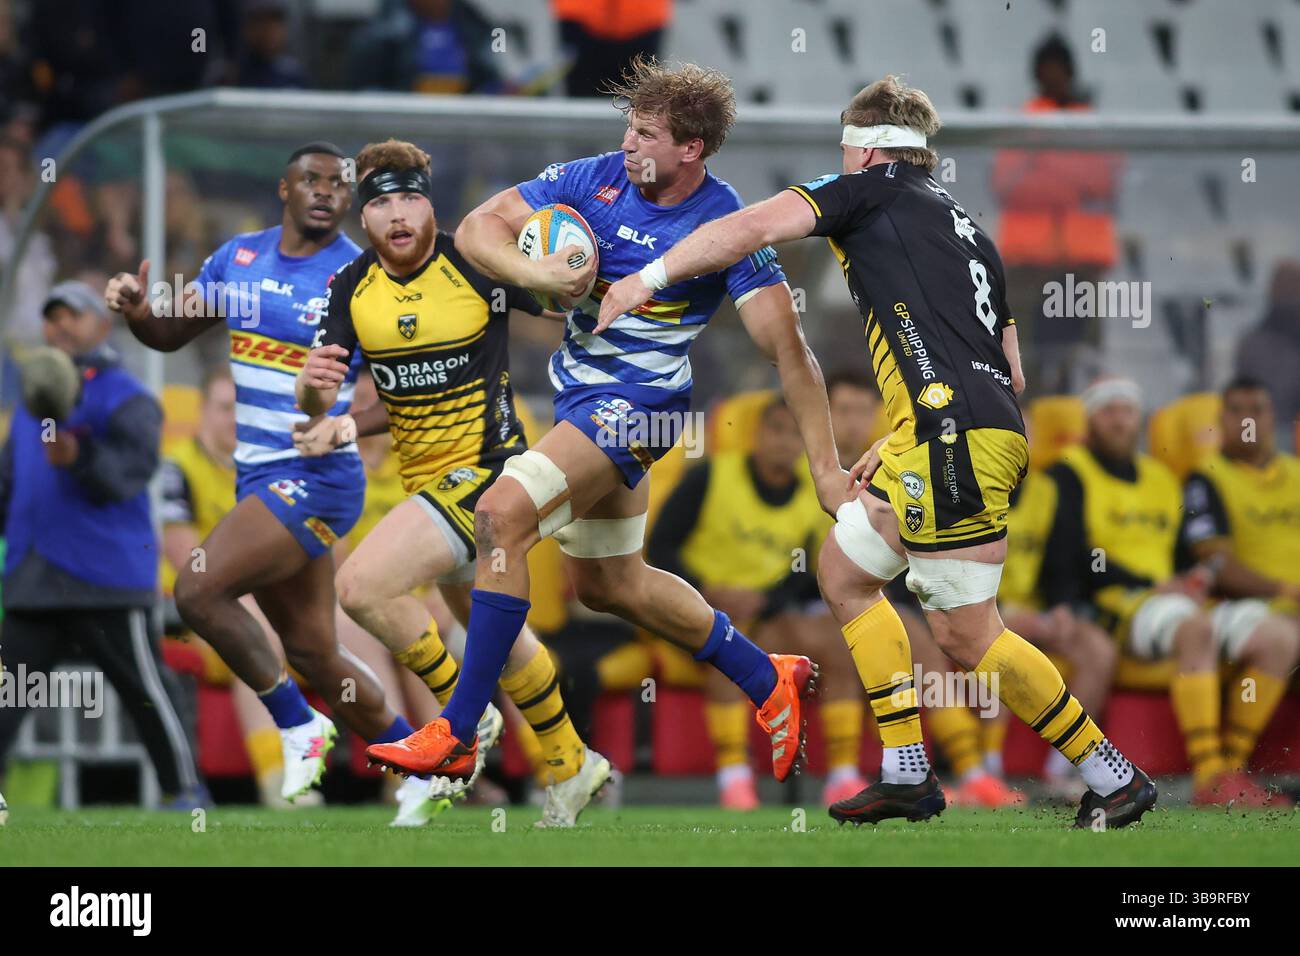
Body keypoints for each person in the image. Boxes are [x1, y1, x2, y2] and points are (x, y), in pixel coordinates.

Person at [600, 73, 1157, 829]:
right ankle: (906, 770)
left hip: (952, 439)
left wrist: (649, 277)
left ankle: (1112, 774)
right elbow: (1010, 369)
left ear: (862, 148)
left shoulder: (868, 189)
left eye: (843, 149)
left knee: (965, 633)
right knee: (845, 570)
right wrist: (905, 433)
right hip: (952, 431)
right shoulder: (969, 229)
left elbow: (750, 228)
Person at [364, 56, 844, 789]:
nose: (629, 143)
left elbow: (790, 352)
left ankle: (457, 733)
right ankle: (766, 673)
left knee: (501, 514)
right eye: (628, 127)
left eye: (647, 134)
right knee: (611, 585)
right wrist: (538, 278)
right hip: (582, 401)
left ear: (692, 150)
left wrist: (825, 466)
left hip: (645, 408)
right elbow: (479, 225)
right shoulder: (595, 180)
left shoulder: (726, 223)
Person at [295, 138, 608, 827]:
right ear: (363, 215)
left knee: (360, 586)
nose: (398, 214)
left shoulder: (474, 262)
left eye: (410, 197)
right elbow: (377, 392)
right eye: (380, 201)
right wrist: (323, 407)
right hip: (428, 485)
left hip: (495, 475)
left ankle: (463, 722)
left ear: (429, 202)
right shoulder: (352, 289)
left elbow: (567, 305)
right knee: (491, 633)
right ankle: (569, 760)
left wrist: (578, 278)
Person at [105, 142, 425, 808]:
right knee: (314, 652)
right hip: (258, 479)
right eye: (311, 180)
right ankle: (421, 765)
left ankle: (298, 724)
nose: (325, 192)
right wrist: (138, 311)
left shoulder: (362, 278)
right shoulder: (237, 259)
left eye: (339, 185)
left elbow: (405, 390)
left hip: (318, 478)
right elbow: (169, 334)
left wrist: (343, 426)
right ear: (285, 190)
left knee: (195, 590)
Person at [1042, 378, 1299, 807]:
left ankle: (1233, 769)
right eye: (1108, 412)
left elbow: (1183, 552)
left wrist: (1196, 576)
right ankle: (1208, 775)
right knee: (1194, 628)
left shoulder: (1161, 478)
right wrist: (1148, 584)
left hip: (1174, 602)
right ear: (1090, 421)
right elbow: (1069, 555)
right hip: (1119, 604)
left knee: (1279, 638)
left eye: (1127, 411)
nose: (1120, 421)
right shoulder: (1069, 473)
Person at [0, 280, 204, 814]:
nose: (60, 325)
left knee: (146, 694)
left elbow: (130, 477)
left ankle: (183, 793)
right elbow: (6, 487)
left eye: (74, 315)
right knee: (6, 697)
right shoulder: (32, 399)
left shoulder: (128, 397)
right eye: (52, 317)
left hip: (105, 581)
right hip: (33, 580)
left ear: (101, 324)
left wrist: (81, 460)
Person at [648, 396, 867, 809]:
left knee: (839, 648)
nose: (784, 442)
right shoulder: (710, 476)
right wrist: (706, 588)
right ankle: (734, 780)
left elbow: (811, 572)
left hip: (770, 613)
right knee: (726, 639)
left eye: (794, 435)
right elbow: (659, 547)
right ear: (756, 434)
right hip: (696, 608)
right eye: (776, 430)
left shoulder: (812, 496)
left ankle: (842, 776)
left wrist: (764, 599)